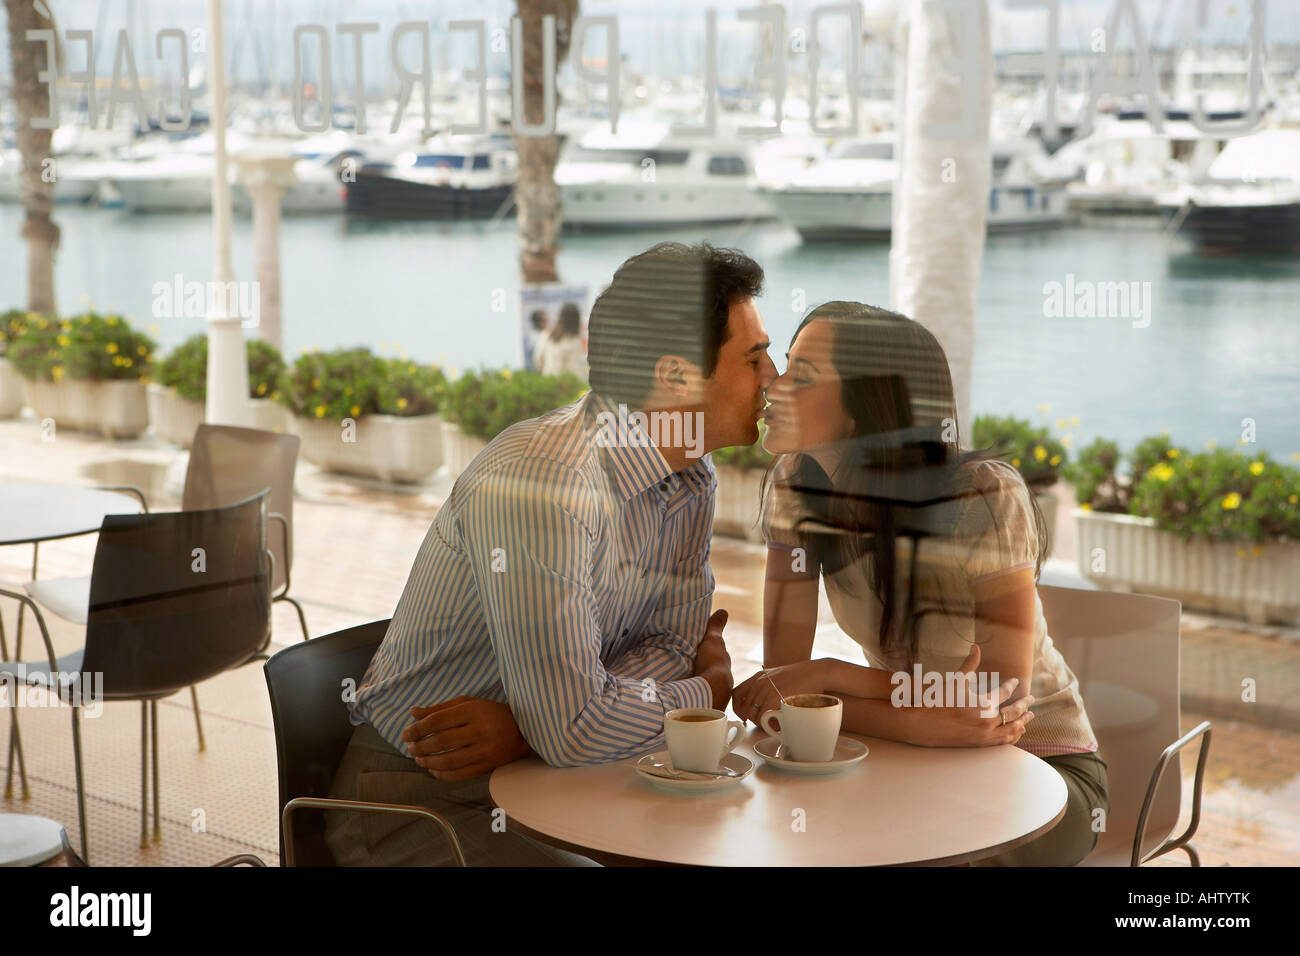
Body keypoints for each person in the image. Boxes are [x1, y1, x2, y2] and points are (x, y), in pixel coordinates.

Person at [324, 241, 777, 865]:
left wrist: (532, 727)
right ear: (675, 376)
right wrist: (704, 691)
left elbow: (669, 650)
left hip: (568, 779)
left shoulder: (690, 477)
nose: (774, 378)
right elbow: (582, 726)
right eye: (755, 358)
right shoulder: (545, 487)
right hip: (419, 800)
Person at [730, 301, 1109, 867]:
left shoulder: (981, 497)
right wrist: (916, 721)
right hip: (910, 751)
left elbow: (996, 703)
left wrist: (833, 679)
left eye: (803, 375)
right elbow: (781, 690)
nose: (775, 386)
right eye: (785, 365)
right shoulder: (794, 486)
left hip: (1039, 769)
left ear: (868, 405)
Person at [534, 301, 588, 381]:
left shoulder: (547, 335)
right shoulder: (574, 341)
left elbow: (538, 359)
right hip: (568, 385)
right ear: (577, 319)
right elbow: (577, 369)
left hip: (549, 381)